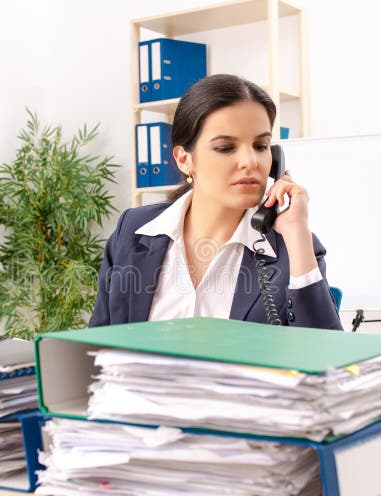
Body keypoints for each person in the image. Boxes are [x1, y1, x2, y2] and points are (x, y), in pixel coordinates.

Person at [89, 74, 342, 330]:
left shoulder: (293, 245)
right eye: (225, 147)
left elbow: (326, 359)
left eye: (261, 145)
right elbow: (97, 346)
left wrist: (297, 234)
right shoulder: (132, 231)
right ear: (184, 159)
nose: (250, 162)